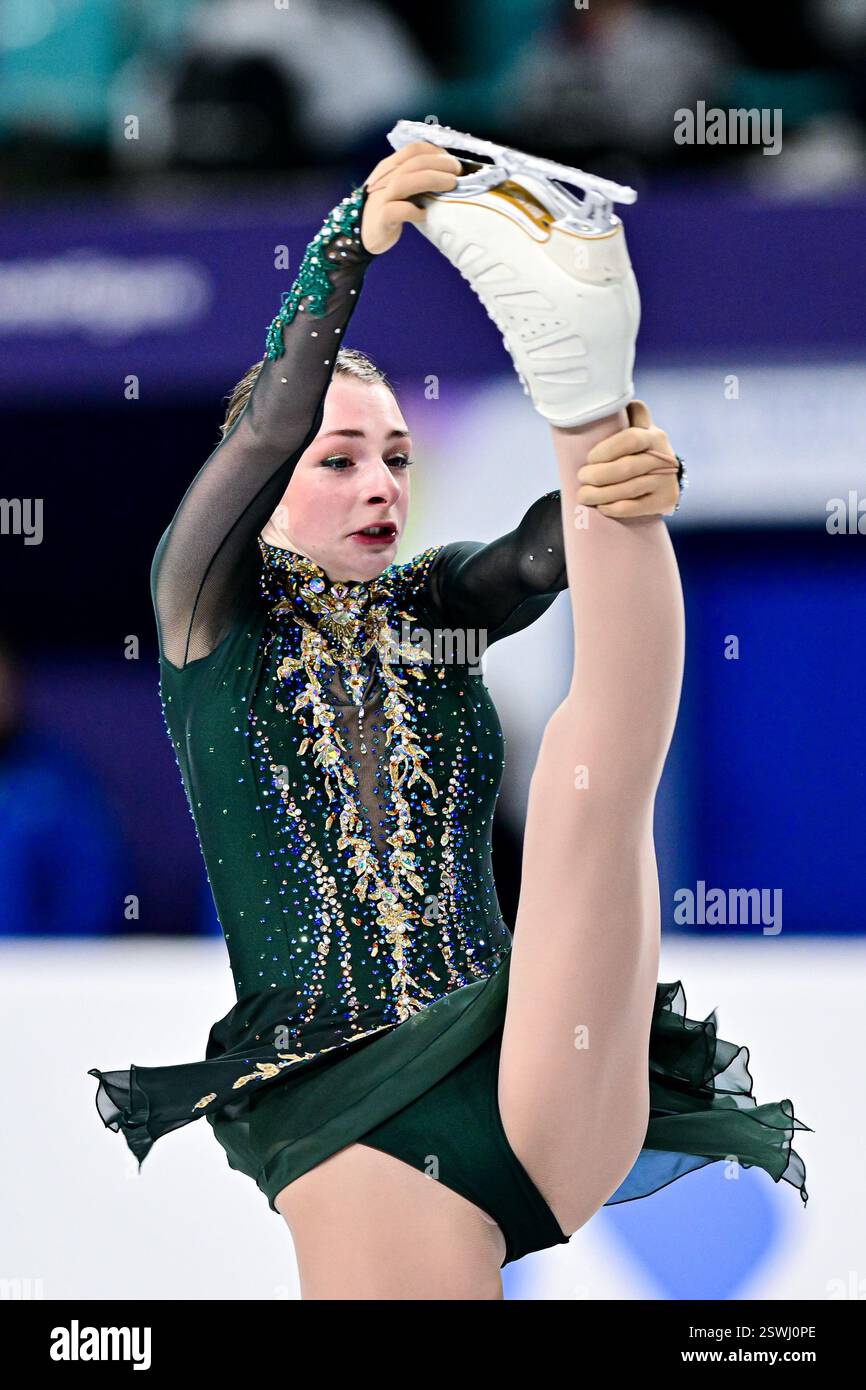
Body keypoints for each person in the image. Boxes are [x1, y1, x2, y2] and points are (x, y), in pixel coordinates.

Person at [88, 137, 810, 1301]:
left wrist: (621, 467)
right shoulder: (203, 620)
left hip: (527, 1051)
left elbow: (535, 554)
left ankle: (578, 381)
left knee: (590, 763)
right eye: (341, 461)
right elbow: (270, 420)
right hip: (351, 1103)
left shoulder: (429, 605)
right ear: (260, 494)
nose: (380, 483)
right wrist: (343, 246)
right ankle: (579, 383)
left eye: (395, 457)